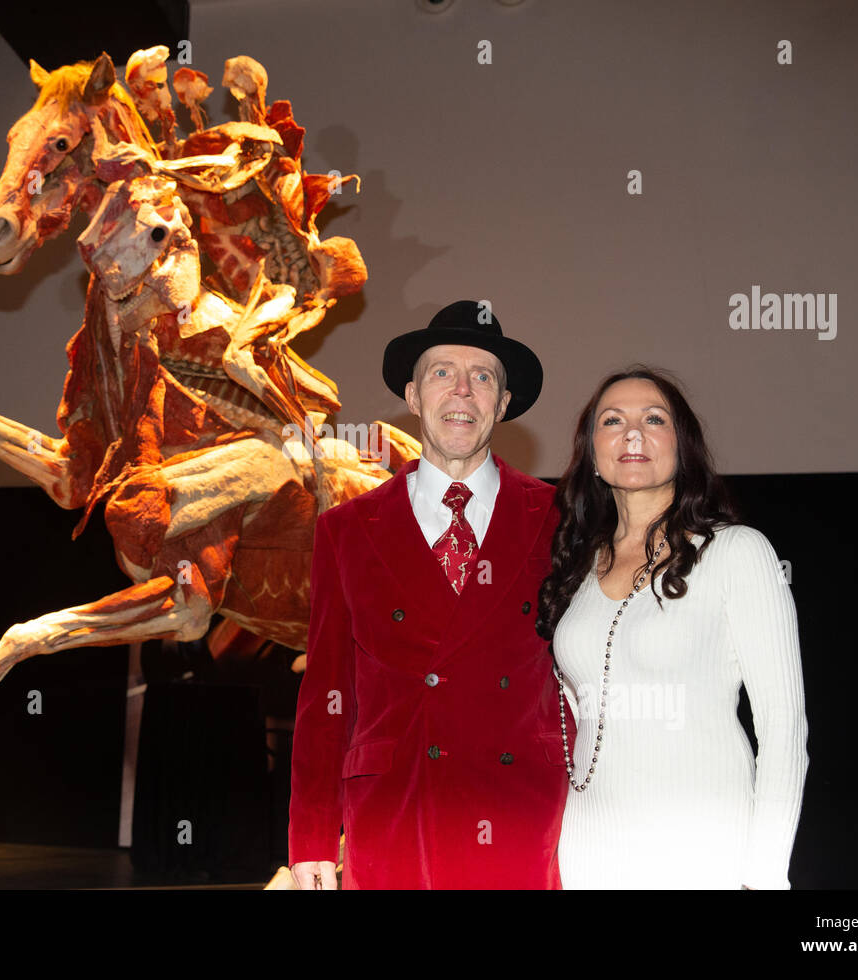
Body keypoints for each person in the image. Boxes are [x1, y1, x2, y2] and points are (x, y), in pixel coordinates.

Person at [288, 299, 574, 889]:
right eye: (442, 372)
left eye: (483, 377)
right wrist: (312, 834)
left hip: (521, 806)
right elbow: (328, 694)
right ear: (414, 398)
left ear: (505, 403)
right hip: (394, 810)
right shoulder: (345, 530)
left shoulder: (560, 518)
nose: (463, 391)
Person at [536, 366, 808, 889]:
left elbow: (784, 729)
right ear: (591, 452)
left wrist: (765, 874)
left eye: (653, 419)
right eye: (612, 420)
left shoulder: (736, 552)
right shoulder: (577, 566)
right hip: (587, 850)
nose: (632, 434)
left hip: (701, 852)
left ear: (682, 447)